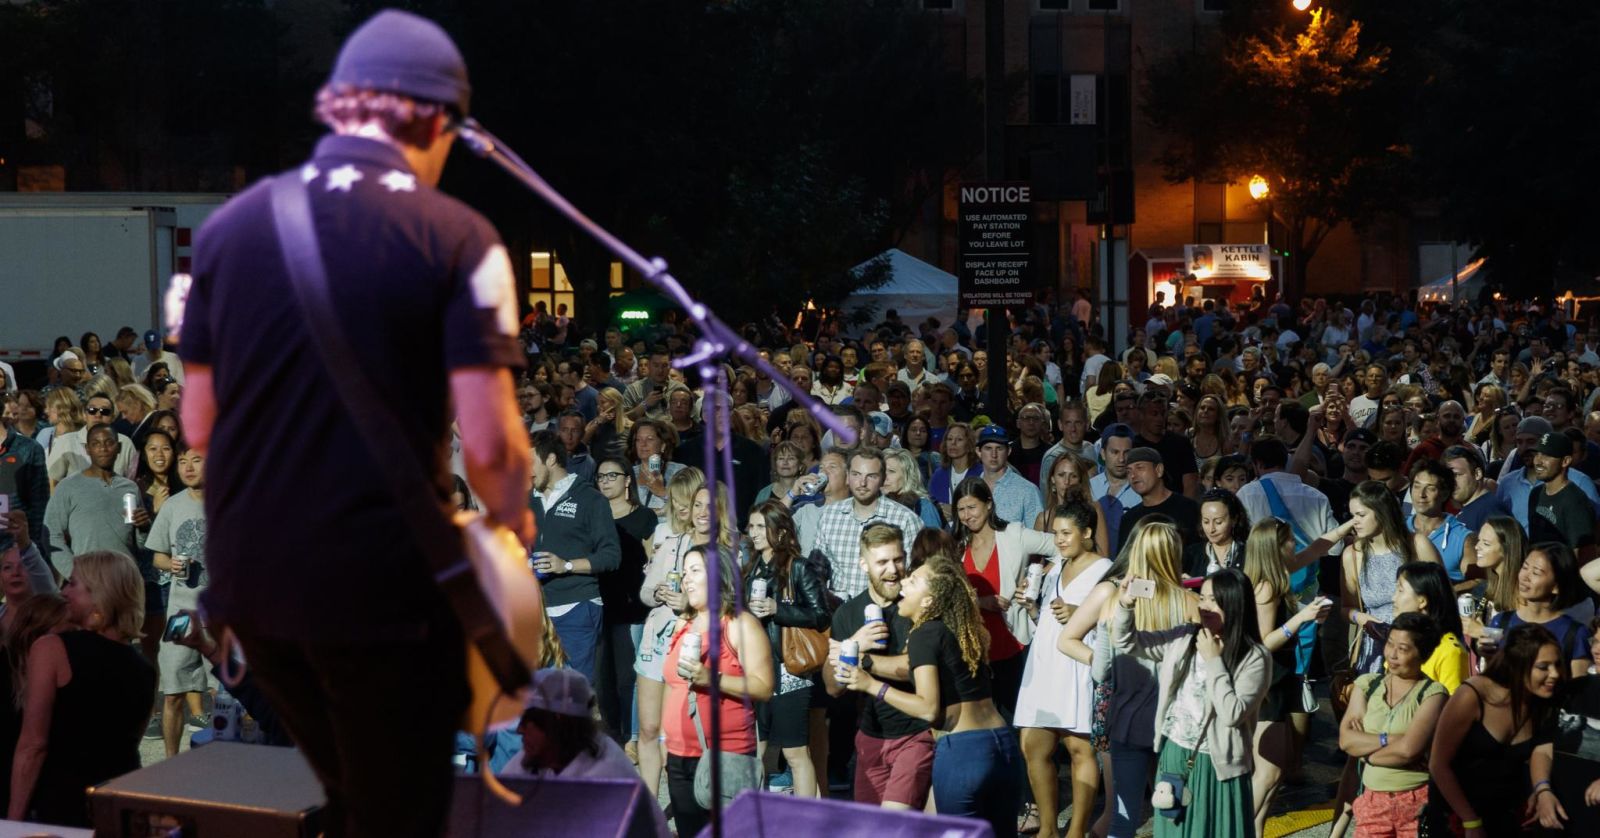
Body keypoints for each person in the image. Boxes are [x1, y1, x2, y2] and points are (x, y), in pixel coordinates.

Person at [178, 13, 537, 833]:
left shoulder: (229, 229)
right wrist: (508, 532)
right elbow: (488, 446)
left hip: (251, 593)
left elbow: (198, 421)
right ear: (433, 118)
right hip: (378, 596)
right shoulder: (458, 236)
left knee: (353, 802)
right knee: (398, 816)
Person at [837, 558, 1021, 838]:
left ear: (928, 601)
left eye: (914, 580)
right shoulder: (959, 632)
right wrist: (867, 662)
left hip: (963, 752)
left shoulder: (925, 633)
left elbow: (928, 708)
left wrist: (871, 685)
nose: (904, 581)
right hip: (1004, 746)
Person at [1112, 567, 1269, 838]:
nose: (1204, 606)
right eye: (1203, 597)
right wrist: (1126, 604)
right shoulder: (1184, 638)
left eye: (1214, 600)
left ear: (1235, 603)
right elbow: (1126, 641)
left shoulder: (1255, 657)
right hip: (1175, 754)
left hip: (1218, 766)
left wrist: (1214, 661)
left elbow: (1233, 713)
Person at [1068, 519, 1197, 838]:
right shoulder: (1191, 603)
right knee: (1174, 810)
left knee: (1123, 816)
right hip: (1175, 726)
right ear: (1173, 554)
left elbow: (1100, 672)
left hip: (1126, 721)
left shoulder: (1114, 603)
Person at [8, 551, 155, 826]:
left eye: (73, 583)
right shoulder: (144, 669)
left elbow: (32, 746)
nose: (63, 591)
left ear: (100, 594)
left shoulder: (52, 649)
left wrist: (14, 822)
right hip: (121, 806)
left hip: (62, 807)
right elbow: (129, 744)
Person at [662, 545, 773, 838]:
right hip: (679, 755)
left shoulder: (739, 624)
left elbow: (763, 686)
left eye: (695, 571)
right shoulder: (683, 623)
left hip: (726, 756)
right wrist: (665, 741)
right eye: (685, 572)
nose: (686, 579)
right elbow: (672, 687)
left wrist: (712, 678)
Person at [1015, 500, 1110, 838]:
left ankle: (1077, 830)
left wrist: (1082, 613)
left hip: (1078, 666)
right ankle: (1049, 829)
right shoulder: (1052, 568)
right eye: (1055, 533)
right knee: (1034, 747)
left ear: (1087, 533)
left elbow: (1118, 621)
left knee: (1079, 748)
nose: (1059, 540)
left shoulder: (1106, 570)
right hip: (1044, 664)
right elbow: (1048, 620)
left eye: (1066, 533)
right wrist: (1031, 607)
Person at [821, 523, 934, 810]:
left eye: (898, 559)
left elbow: (913, 667)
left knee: (895, 823)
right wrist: (853, 643)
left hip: (915, 732)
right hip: (871, 735)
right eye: (882, 562)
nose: (893, 570)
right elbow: (833, 687)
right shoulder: (848, 613)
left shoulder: (915, 603)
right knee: (871, 827)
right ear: (864, 564)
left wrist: (863, 659)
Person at [1240, 519, 1337, 834]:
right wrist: (1302, 618)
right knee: (1266, 774)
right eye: (1290, 541)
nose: (1295, 545)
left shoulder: (1278, 572)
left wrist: (1350, 523)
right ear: (1274, 547)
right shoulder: (1266, 586)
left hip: (1282, 679)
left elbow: (1318, 547)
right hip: (1269, 683)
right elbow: (1264, 642)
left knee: (1278, 772)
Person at [1428, 624, 1563, 837]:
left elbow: (1542, 748)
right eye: (1544, 667)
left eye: (1557, 665)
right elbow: (1438, 764)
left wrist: (1542, 788)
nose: (1555, 674)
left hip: (1504, 817)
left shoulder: (1543, 702)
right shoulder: (1473, 695)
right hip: (1457, 817)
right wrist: (1471, 822)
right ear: (1518, 665)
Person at [743, 500, 831, 798]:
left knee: (795, 753)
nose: (752, 533)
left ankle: (805, 817)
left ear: (779, 532)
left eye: (759, 527)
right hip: (758, 669)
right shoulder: (752, 566)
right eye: (751, 526)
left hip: (790, 670)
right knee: (759, 749)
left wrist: (776, 608)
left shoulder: (800, 567)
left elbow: (821, 615)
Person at [951, 477, 1056, 721]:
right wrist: (980, 602)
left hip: (1011, 644)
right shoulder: (956, 544)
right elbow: (946, 593)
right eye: (961, 510)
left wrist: (1036, 577)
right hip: (971, 649)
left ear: (989, 504)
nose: (967, 516)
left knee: (1014, 720)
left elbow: (1061, 547)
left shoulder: (1014, 534)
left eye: (972, 507)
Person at [1337, 612, 1449, 838]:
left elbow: (1409, 750)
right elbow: (1346, 740)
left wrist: (1367, 755)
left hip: (1417, 804)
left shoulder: (1432, 693)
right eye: (1390, 644)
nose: (1393, 654)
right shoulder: (1368, 684)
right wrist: (1389, 739)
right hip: (1372, 801)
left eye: (1404, 649)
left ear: (1422, 654)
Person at [529, 430, 622, 685]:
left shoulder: (590, 499)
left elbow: (611, 555)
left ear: (550, 460)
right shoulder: (527, 500)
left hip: (577, 608)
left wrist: (565, 565)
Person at [634, 467, 705, 799]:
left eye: (685, 501)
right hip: (653, 639)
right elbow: (645, 592)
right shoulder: (662, 532)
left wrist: (687, 602)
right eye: (674, 500)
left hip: (688, 639)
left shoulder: (708, 540)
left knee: (680, 730)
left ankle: (687, 801)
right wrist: (659, 592)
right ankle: (649, 803)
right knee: (647, 728)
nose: (679, 508)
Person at [145, 444, 209, 757]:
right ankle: (171, 762)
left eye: (196, 460)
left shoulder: (229, 502)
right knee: (172, 693)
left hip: (220, 614)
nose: (188, 467)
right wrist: (168, 564)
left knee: (234, 694)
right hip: (179, 614)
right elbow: (157, 556)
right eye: (183, 461)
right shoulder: (172, 505)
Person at [1341, 481, 1441, 675]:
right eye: (1353, 515)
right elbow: (1346, 608)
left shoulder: (1416, 544)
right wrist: (1361, 618)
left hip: (1416, 645)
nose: (1355, 522)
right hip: (1373, 652)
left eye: (1361, 515)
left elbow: (1441, 597)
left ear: (1381, 512)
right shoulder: (1352, 555)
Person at [594, 456, 655, 753]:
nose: (605, 481)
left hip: (631, 607)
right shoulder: (592, 515)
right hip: (597, 605)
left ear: (627, 480)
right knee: (601, 681)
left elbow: (653, 562)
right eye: (601, 477)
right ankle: (612, 738)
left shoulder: (643, 517)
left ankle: (630, 738)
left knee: (626, 679)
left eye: (612, 476)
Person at [807, 447, 921, 602]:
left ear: (882, 479)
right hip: (839, 612)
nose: (862, 483)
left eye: (871, 476)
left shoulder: (905, 520)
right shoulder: (829, 515)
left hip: (887, 611)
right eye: (856, 474)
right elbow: (816, 570)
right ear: (847, 477)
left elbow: (915, 574)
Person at [43, 425, 148, 577]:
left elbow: (140, 546)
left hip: (124, 579)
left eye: (109, 442)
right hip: (88, 581)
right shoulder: (68, 486)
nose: (103, 448)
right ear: (87, 449)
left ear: (118, 448)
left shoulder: (130, 488)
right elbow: (50, 535)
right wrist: (73, 573)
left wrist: (144, 528)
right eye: (96, 444)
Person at [1529, 617, 1600, 834]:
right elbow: (1544, 748)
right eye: (1595, 641)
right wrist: (1542, 790)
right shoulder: (1571, 690)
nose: (1596, 649)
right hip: (1557, 819)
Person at [1485, 542, 1593, 679]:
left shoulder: (1576, 634)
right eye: (1524, 567)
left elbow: (1580, 692)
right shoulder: (1500, 621)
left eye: (1536, 572)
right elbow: (1490, 677)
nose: (1525, 577)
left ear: (1556, 586)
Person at [1392, 562, 1469, 692]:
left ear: (1422, 601)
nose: (1393, 598)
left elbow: (1452, 707)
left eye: (1400, 590)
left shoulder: (1449, 652)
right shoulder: (1398, 640)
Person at [1118, 446, 1201, 547]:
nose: (1133, 475)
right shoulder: (1128, 519)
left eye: (1140, 468)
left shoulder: (1189, 508)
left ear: (1159, 470)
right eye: (1128, 471)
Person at [1037, 453, 1110, 557]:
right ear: (1053, 479)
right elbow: (1037, 562)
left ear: (1080, 480)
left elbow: (1103, 555)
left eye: (1073, 476)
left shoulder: (1094, 509)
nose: (1067, 482)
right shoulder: (1043, 519)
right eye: (1061, 475)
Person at [975, 425, 1045, 528]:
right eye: (988, 448)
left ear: (1008, 451)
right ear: (978, 452)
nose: (994, 454)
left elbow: (1038, 537)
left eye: (999, 448)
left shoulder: (1028, 491)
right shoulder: (970, 488)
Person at [1184, 488, 1250, 579]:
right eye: (1206, 522)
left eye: (1218, 522)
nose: (1211, 529)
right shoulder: (1191, 555)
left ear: (1234, 520)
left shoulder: (1249, 553)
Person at [630, 418, 685, 520]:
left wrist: (663, 492)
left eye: (650, 439)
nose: (643, 444)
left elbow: (689, 506)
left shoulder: (679, 472)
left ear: (662, 445)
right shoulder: (628, 473)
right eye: (638, 439)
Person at [883, 446, 943, 531]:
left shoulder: (923, 507)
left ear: (908, 475)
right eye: (882, 471)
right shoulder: (878, 504)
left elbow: (934, 543)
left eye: (891, 471)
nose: (884, 476)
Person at [929, 422, 981, 518]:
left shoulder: (981, 473)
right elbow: (931, 505)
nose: (953, 443)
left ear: (969, 445)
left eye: (959, 439)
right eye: (950, 439)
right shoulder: (939, 474)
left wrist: (955, 512)